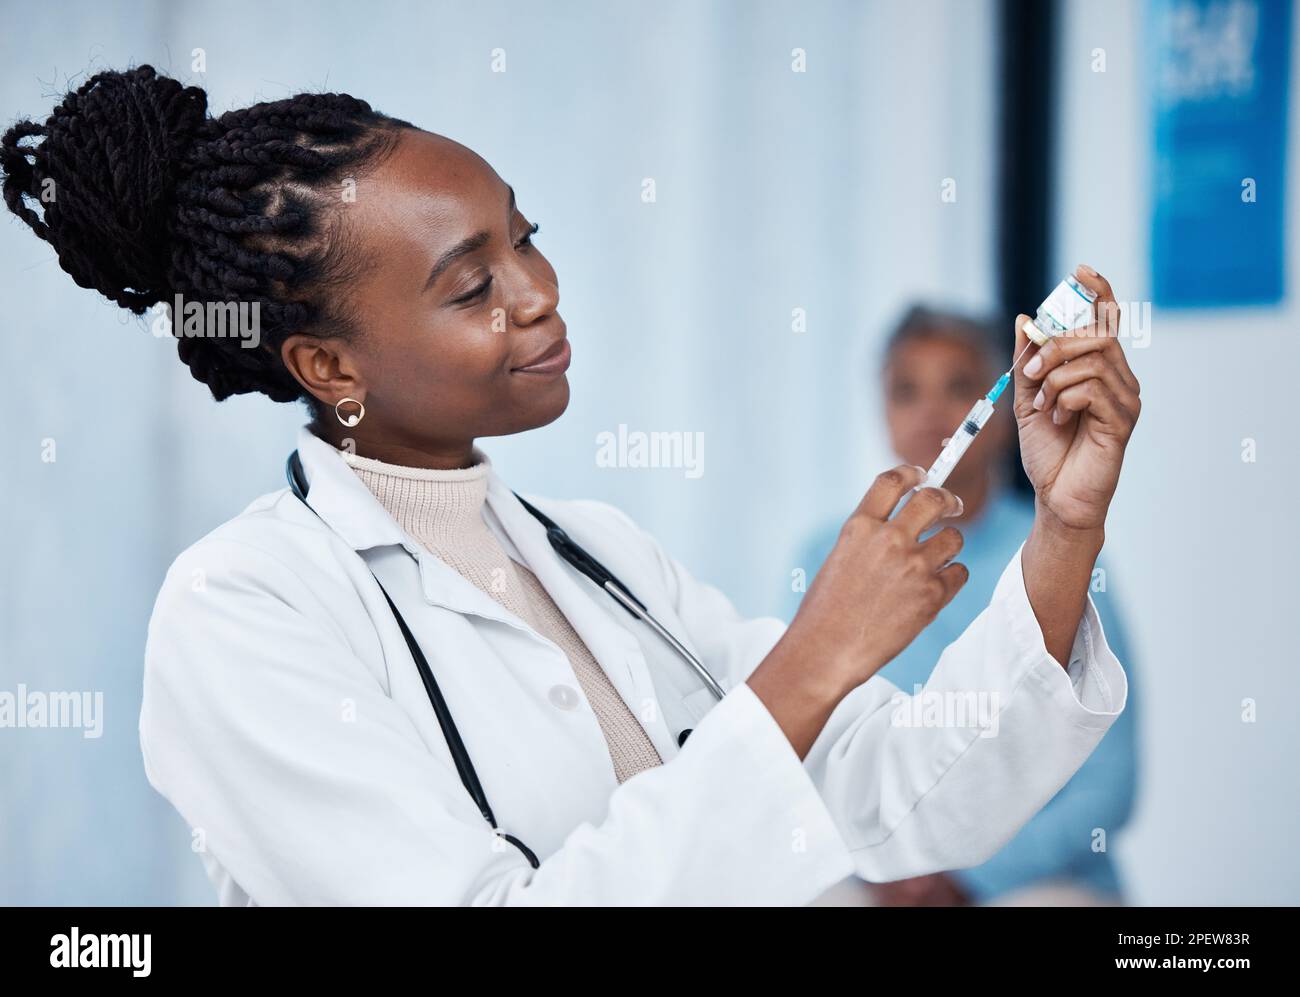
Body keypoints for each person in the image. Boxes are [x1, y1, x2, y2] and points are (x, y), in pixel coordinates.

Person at [0, 66, 1140, 906]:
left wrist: (1063, 527)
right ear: (330, 366)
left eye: (524, 237)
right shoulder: (244, 608)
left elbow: (911, 799)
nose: (539, 292)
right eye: (471, 284)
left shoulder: (598, 557)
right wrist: (810, 659)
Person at [790, 306, 1139, 906]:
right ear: (882, 411)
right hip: (877, 877)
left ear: (1002, 416)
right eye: (906, 391)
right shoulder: (831, 555)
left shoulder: (1061, 552)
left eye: (958, 388)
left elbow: (1109, 786)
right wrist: (888, 868)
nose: (931, 412)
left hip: (1026, 885)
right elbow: (799, 748)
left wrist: (964, 880)